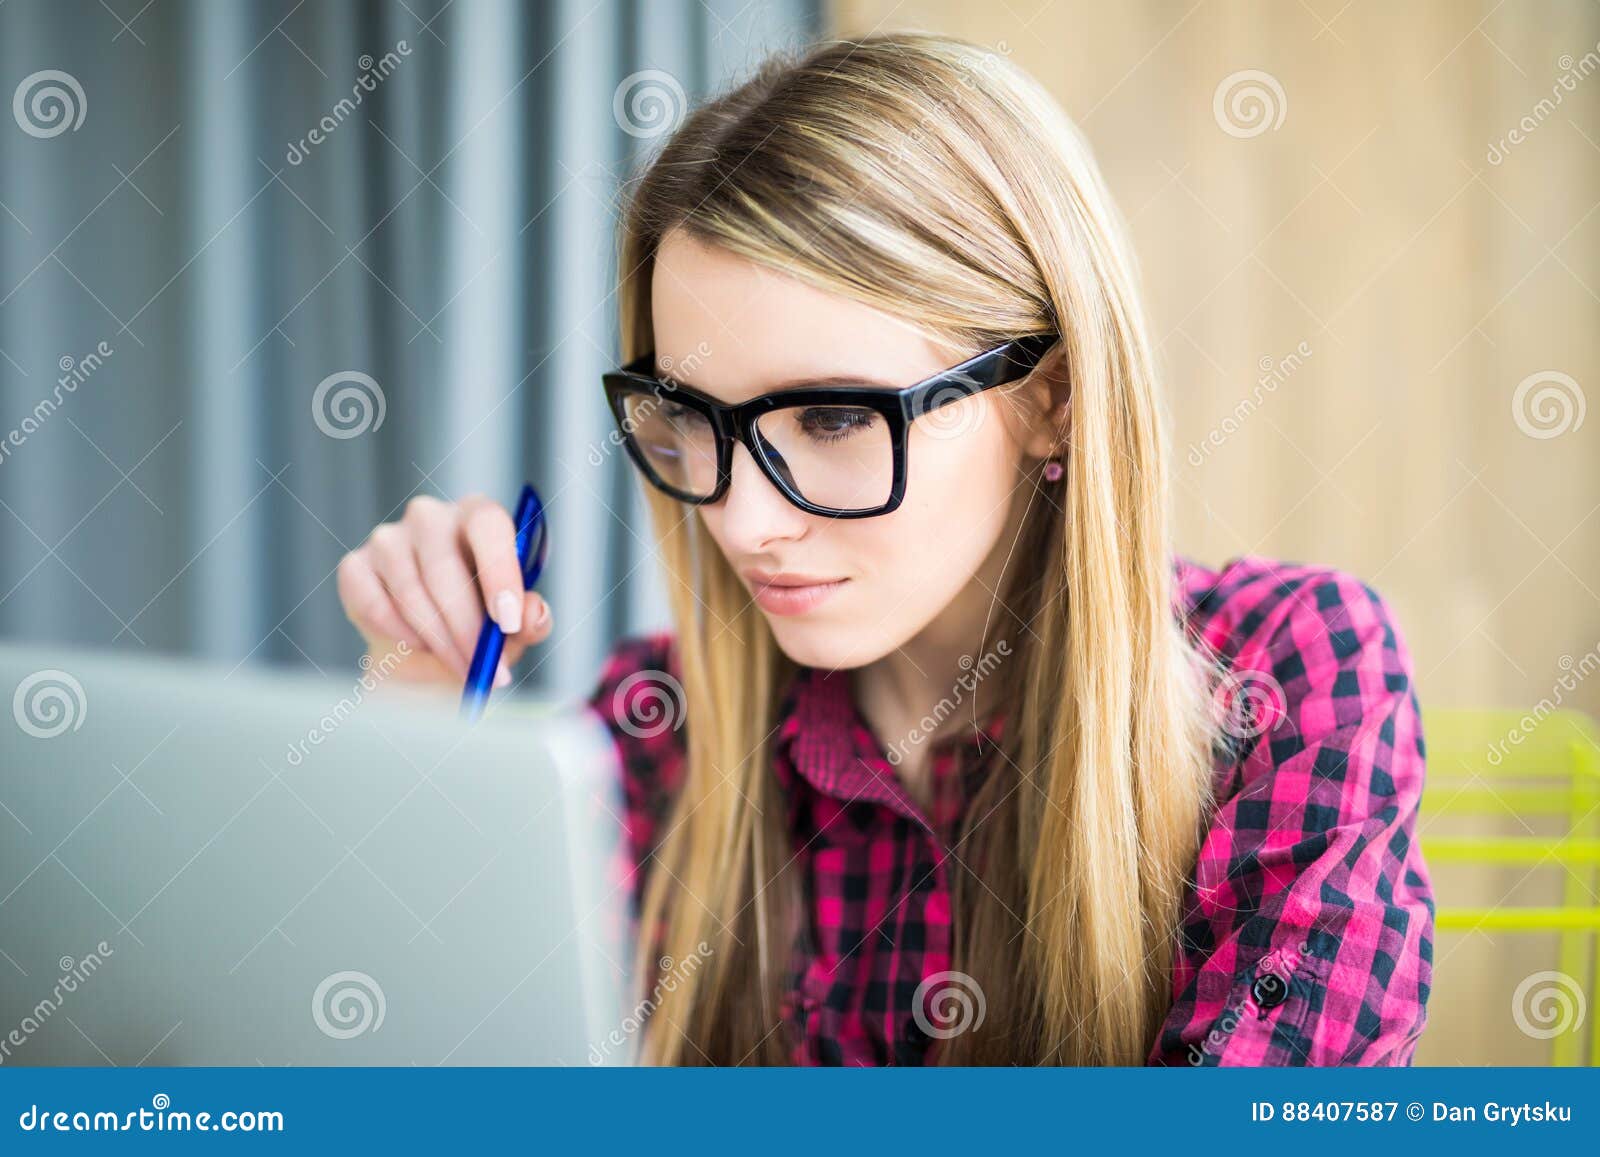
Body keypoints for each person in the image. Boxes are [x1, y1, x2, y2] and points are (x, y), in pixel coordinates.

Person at [336, 31, 1433, 1066]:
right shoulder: (656, 729)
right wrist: (418, 720)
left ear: (1051, 397)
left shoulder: (1285, 676)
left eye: (834, 420)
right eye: (694, 419)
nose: (745, 524)